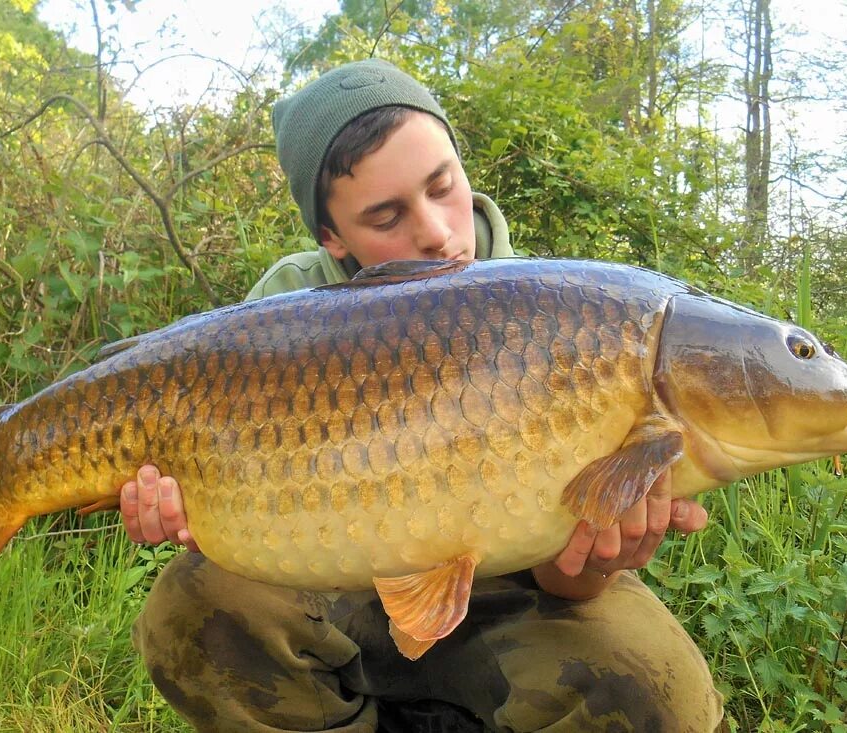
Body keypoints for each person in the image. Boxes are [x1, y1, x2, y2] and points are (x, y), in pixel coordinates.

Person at [120, 59, 724, 732]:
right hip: (334, 584)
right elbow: (237, 532)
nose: (436, 231)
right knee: (190, 605)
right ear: (331, 236)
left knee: (660, 690)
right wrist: (189, 514)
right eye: (386, 215)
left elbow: (565, 582)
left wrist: (595, 561)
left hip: (513, 597)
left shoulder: (564, 312)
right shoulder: (278, 317)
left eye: (444, 187)